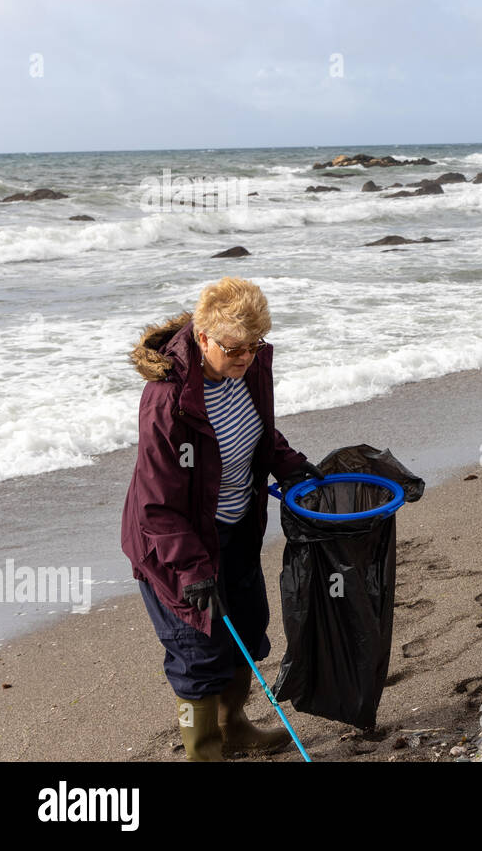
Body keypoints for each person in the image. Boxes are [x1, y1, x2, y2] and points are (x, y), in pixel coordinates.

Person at [121, 277, 321, 761]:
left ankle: (234, 727)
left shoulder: (246, 370)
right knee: (197, 651)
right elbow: (157, 503)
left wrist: (291, 466)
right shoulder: (167, 402)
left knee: (247, 631)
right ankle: (203, 752)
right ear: (202, 336)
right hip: (174, 547)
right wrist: (190, 568)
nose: (245, 358)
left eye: (254, 347)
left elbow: (258, 435)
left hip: (234, 531)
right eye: (234, 349)